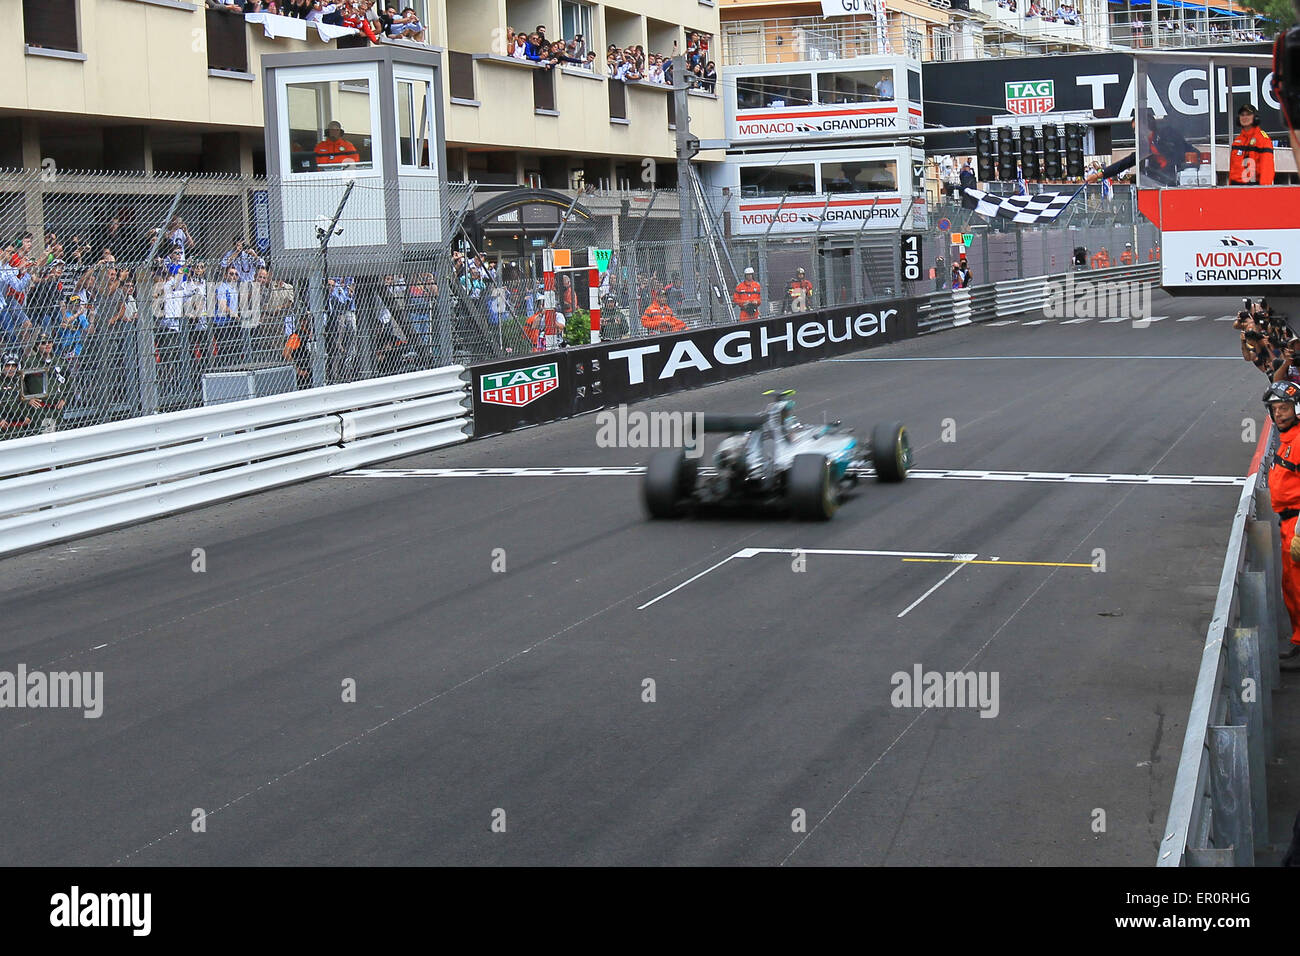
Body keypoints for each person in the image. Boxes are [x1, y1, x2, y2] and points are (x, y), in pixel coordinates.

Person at [1263, 380, 1300, 667]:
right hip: (1287, 524)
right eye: (1275, 409)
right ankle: (1298, 638)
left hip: (1297, 523)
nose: (1279, 415)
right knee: (1291, 585)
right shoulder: (1287, 440)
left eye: (1284, 408)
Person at [1228, 104, 1274, 185]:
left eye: (1248, 114)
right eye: (1242, 115)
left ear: (1255, 118)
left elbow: (1267, 168)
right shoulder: (1237, 140)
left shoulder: (1263, 139)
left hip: (1253, 187)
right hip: (1235, 188)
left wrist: (1265, 191)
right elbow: (1232, 169)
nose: (1244, 117)